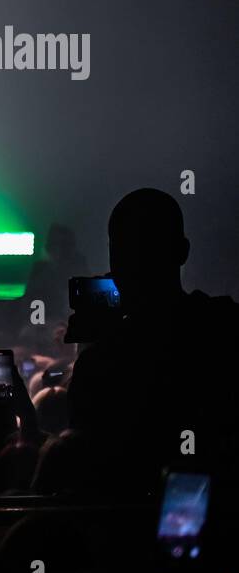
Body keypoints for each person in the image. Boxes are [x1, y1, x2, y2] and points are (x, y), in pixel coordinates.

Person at [68, 188, 239, 494]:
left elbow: (86, 453)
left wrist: (99, 347)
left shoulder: (101, 364)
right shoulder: (225, 327)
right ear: (183, 251)